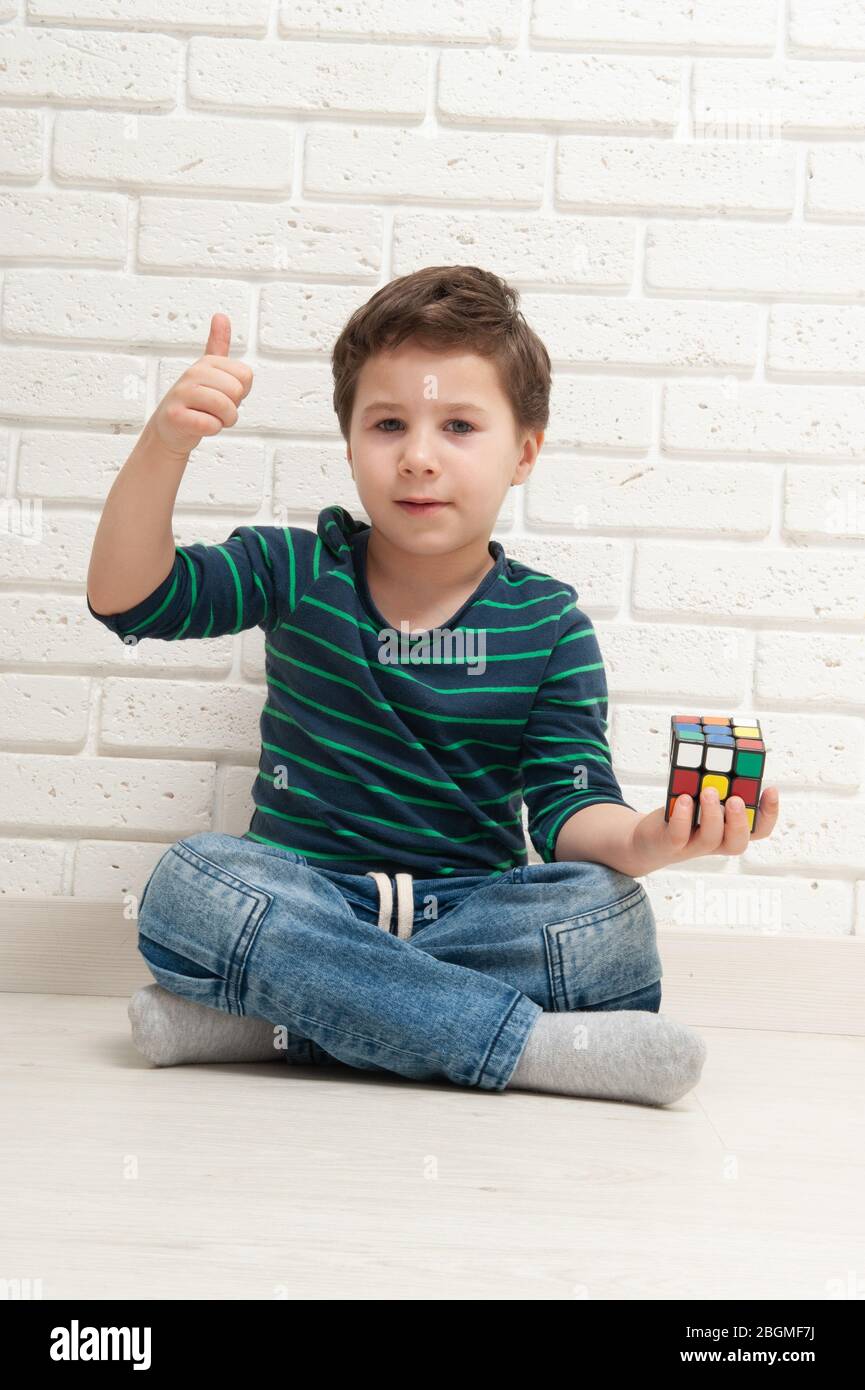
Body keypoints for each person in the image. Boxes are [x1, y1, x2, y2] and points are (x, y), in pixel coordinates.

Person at [86, 266, 779, 1105]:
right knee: (191, 887)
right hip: (309, 900)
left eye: (457, 425)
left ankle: (281, 1023)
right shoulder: (295, 570)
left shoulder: (550, 624)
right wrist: (167, 444)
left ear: (522, 452)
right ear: (348, 444)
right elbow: (129, 598)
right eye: (387, 425)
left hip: (473, 918)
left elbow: (566, 810)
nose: (418, 457)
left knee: (609, 920)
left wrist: (650, 839)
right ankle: (523, 1049)